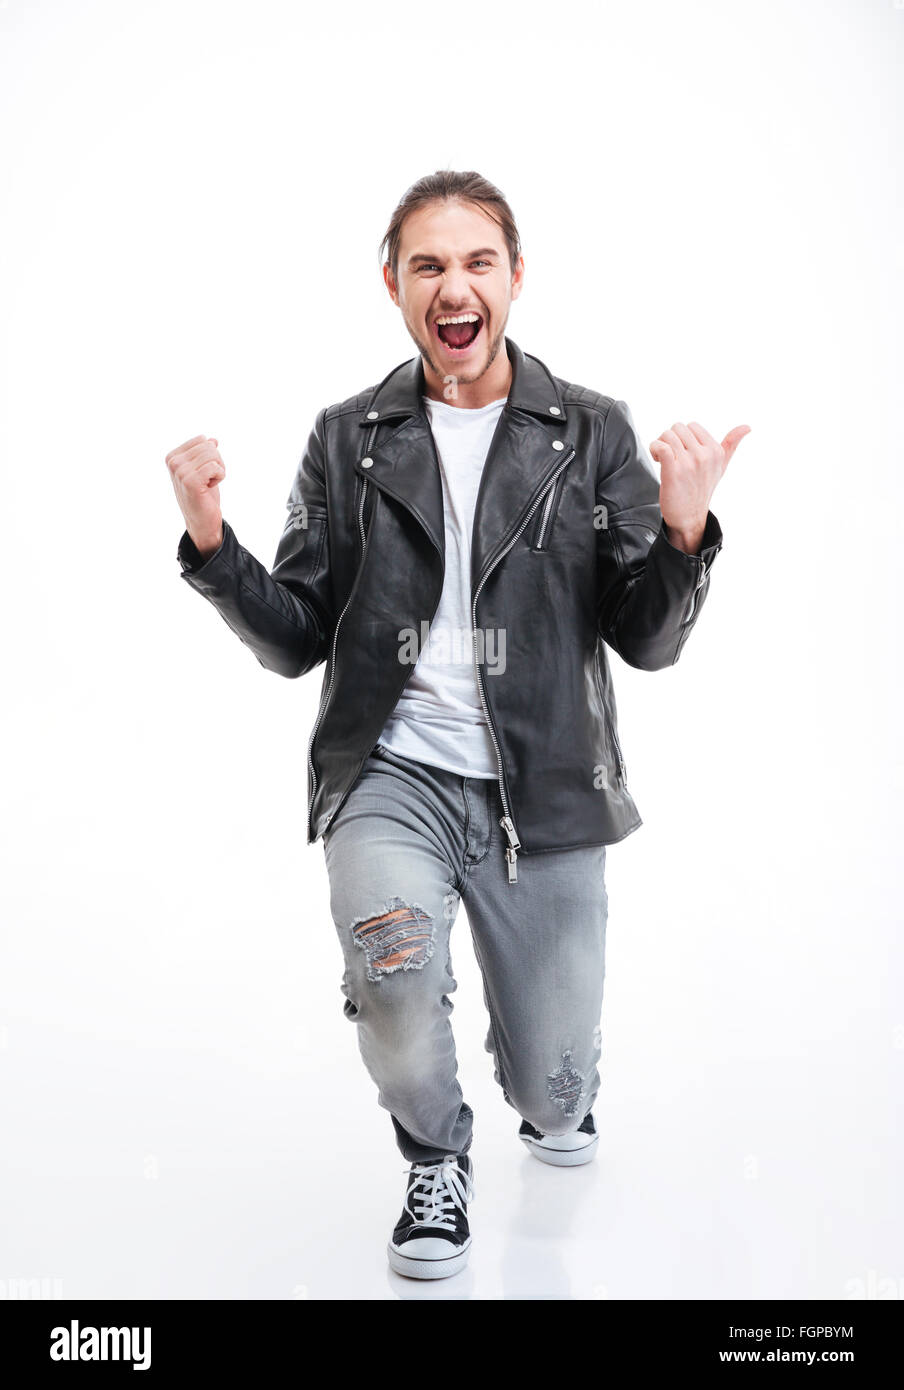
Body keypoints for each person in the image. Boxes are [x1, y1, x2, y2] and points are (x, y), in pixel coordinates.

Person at [165, 169, 749, 1281]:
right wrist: (213, 547)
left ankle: (537, 1070)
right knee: (389, 969)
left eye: (477, 260)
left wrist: (682, 535)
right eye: (427, 264)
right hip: (391, 774)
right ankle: (435, 1156)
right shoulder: (349, 438)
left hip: (549, 790)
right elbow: (295, 637)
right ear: (393, 285)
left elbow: (648, 641)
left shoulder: (590, 432)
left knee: (558, 1095)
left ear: (515, 279)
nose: (454, 284)